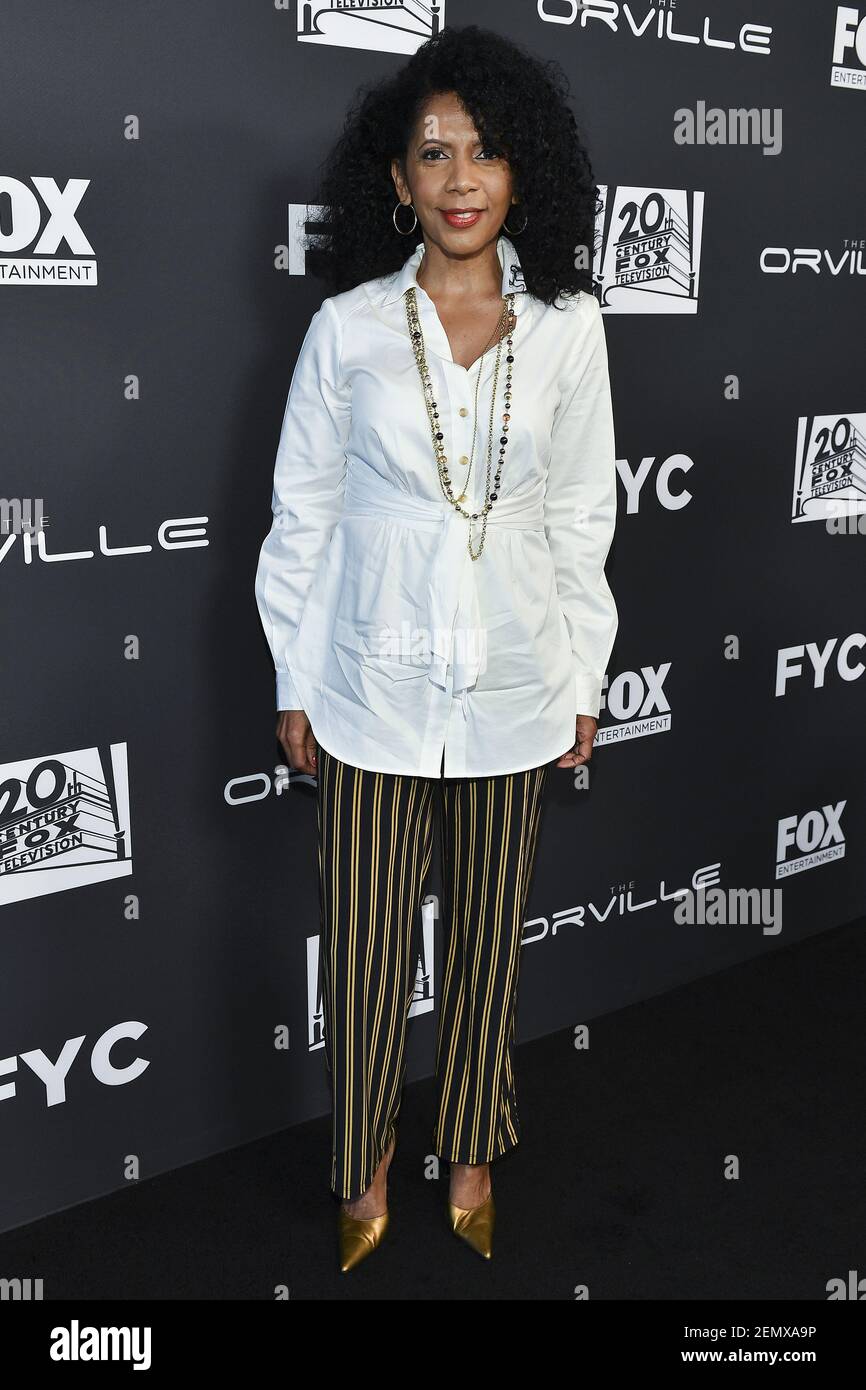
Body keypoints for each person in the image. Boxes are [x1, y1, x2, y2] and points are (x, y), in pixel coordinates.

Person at [254, 24, 618, 1273]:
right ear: (395, 180)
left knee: (482, 949)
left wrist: (580, 674)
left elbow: (580, 515)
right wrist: (297, 677)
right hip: (368, 688)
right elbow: (300, 515)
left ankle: (467, 1157)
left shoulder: (568, 328)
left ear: (524, 175)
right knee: (358, 953)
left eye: (486, 151)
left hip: (514, 686)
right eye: (433, 153)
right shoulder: (347, 328)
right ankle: (361, 1174)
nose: (461, 177)